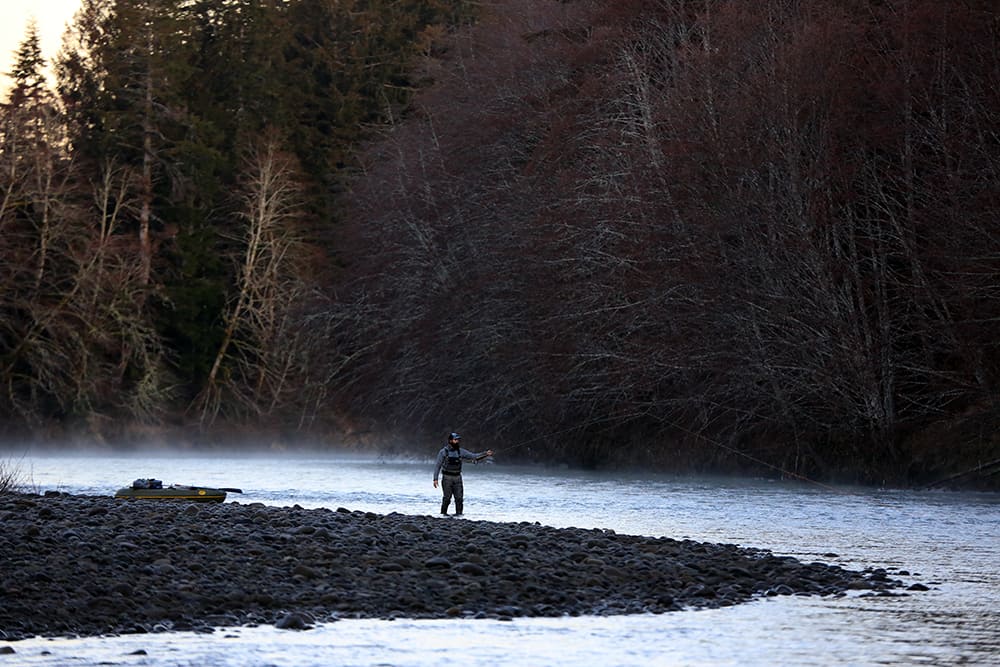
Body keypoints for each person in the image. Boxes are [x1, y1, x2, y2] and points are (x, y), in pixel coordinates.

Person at [433, 432, 493, 515]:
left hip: (458, 478)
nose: (457, 441)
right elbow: (437, 466)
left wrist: (485, 454)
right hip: (447, 478)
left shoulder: (461, 451)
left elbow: (474, 456)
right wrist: (435, 479)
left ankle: (459, 516)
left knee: (459, 499)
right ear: (450, 441)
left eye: (458, 440)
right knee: (447, 498)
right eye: (455, 440)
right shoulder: (443, 452)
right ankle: (443, 514)